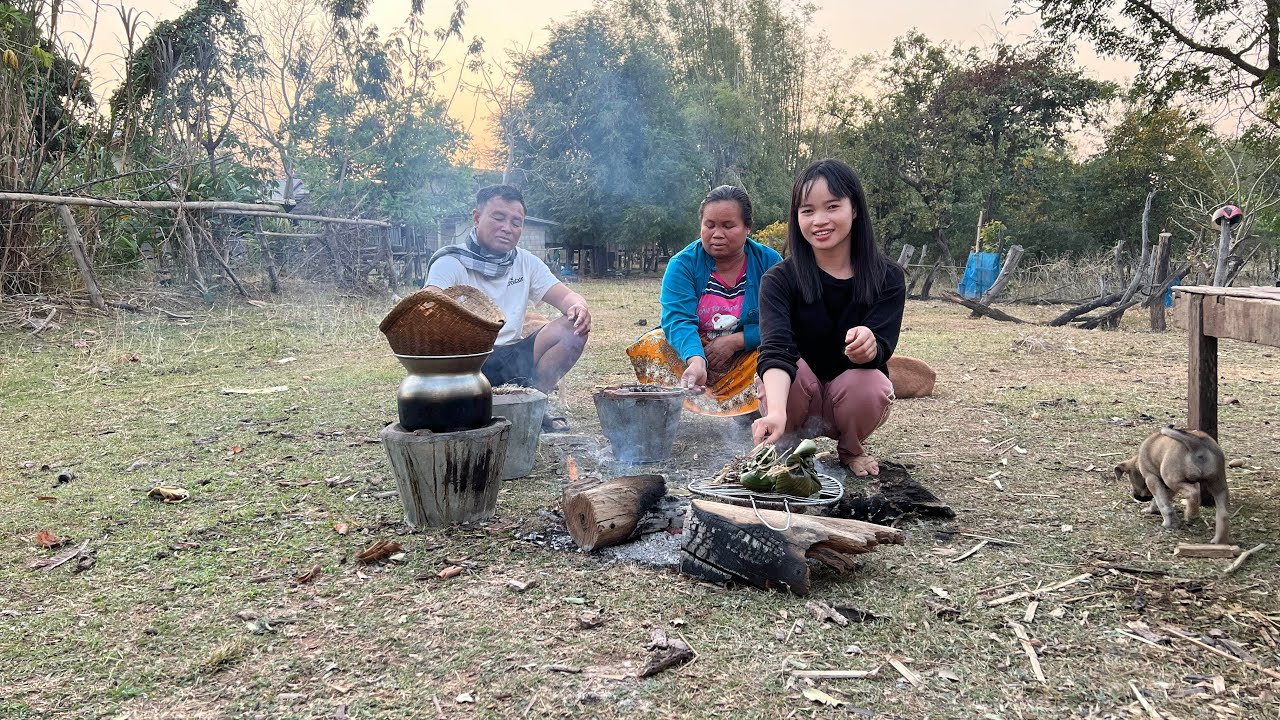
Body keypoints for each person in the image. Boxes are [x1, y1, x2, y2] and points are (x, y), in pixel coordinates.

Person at [751, 159, 905, 476]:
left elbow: (883, 346)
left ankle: (851, 448)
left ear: (855, 209)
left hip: (847, 395)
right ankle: (786, 444)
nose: (819, 220)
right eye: (807, 211)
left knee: (871, 382)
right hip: (797, 393)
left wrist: (871, 345)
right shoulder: (779, 279)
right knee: (790, 370)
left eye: (832, 206)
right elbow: (776, 350)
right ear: (797, 217)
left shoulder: (887, 277)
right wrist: (776, 412)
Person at [425, 184, 590, 432]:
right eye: (498, 217)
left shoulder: (525, 262)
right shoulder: (451, 261)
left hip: (514, 356)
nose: (507, 228)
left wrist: (579, 307)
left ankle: (533, 404)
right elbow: (427, 306)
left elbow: (567, 297)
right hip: (465, 363)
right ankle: (473, 409)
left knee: (573, 328)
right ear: (477, 217)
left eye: (516, 222)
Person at [626, 186, 782, 416]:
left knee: (777, 352)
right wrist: (696, 359)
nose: (717, 234)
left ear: (747, 227)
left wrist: (739, 340)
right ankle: (688, 404)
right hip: (695, 352)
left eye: (728, 226)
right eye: (710, 225)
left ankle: (750, 410)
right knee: (653, 344)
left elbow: (783, 321)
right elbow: (677, 320)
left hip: (745, 357)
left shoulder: (769, 262)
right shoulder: (682, 264)